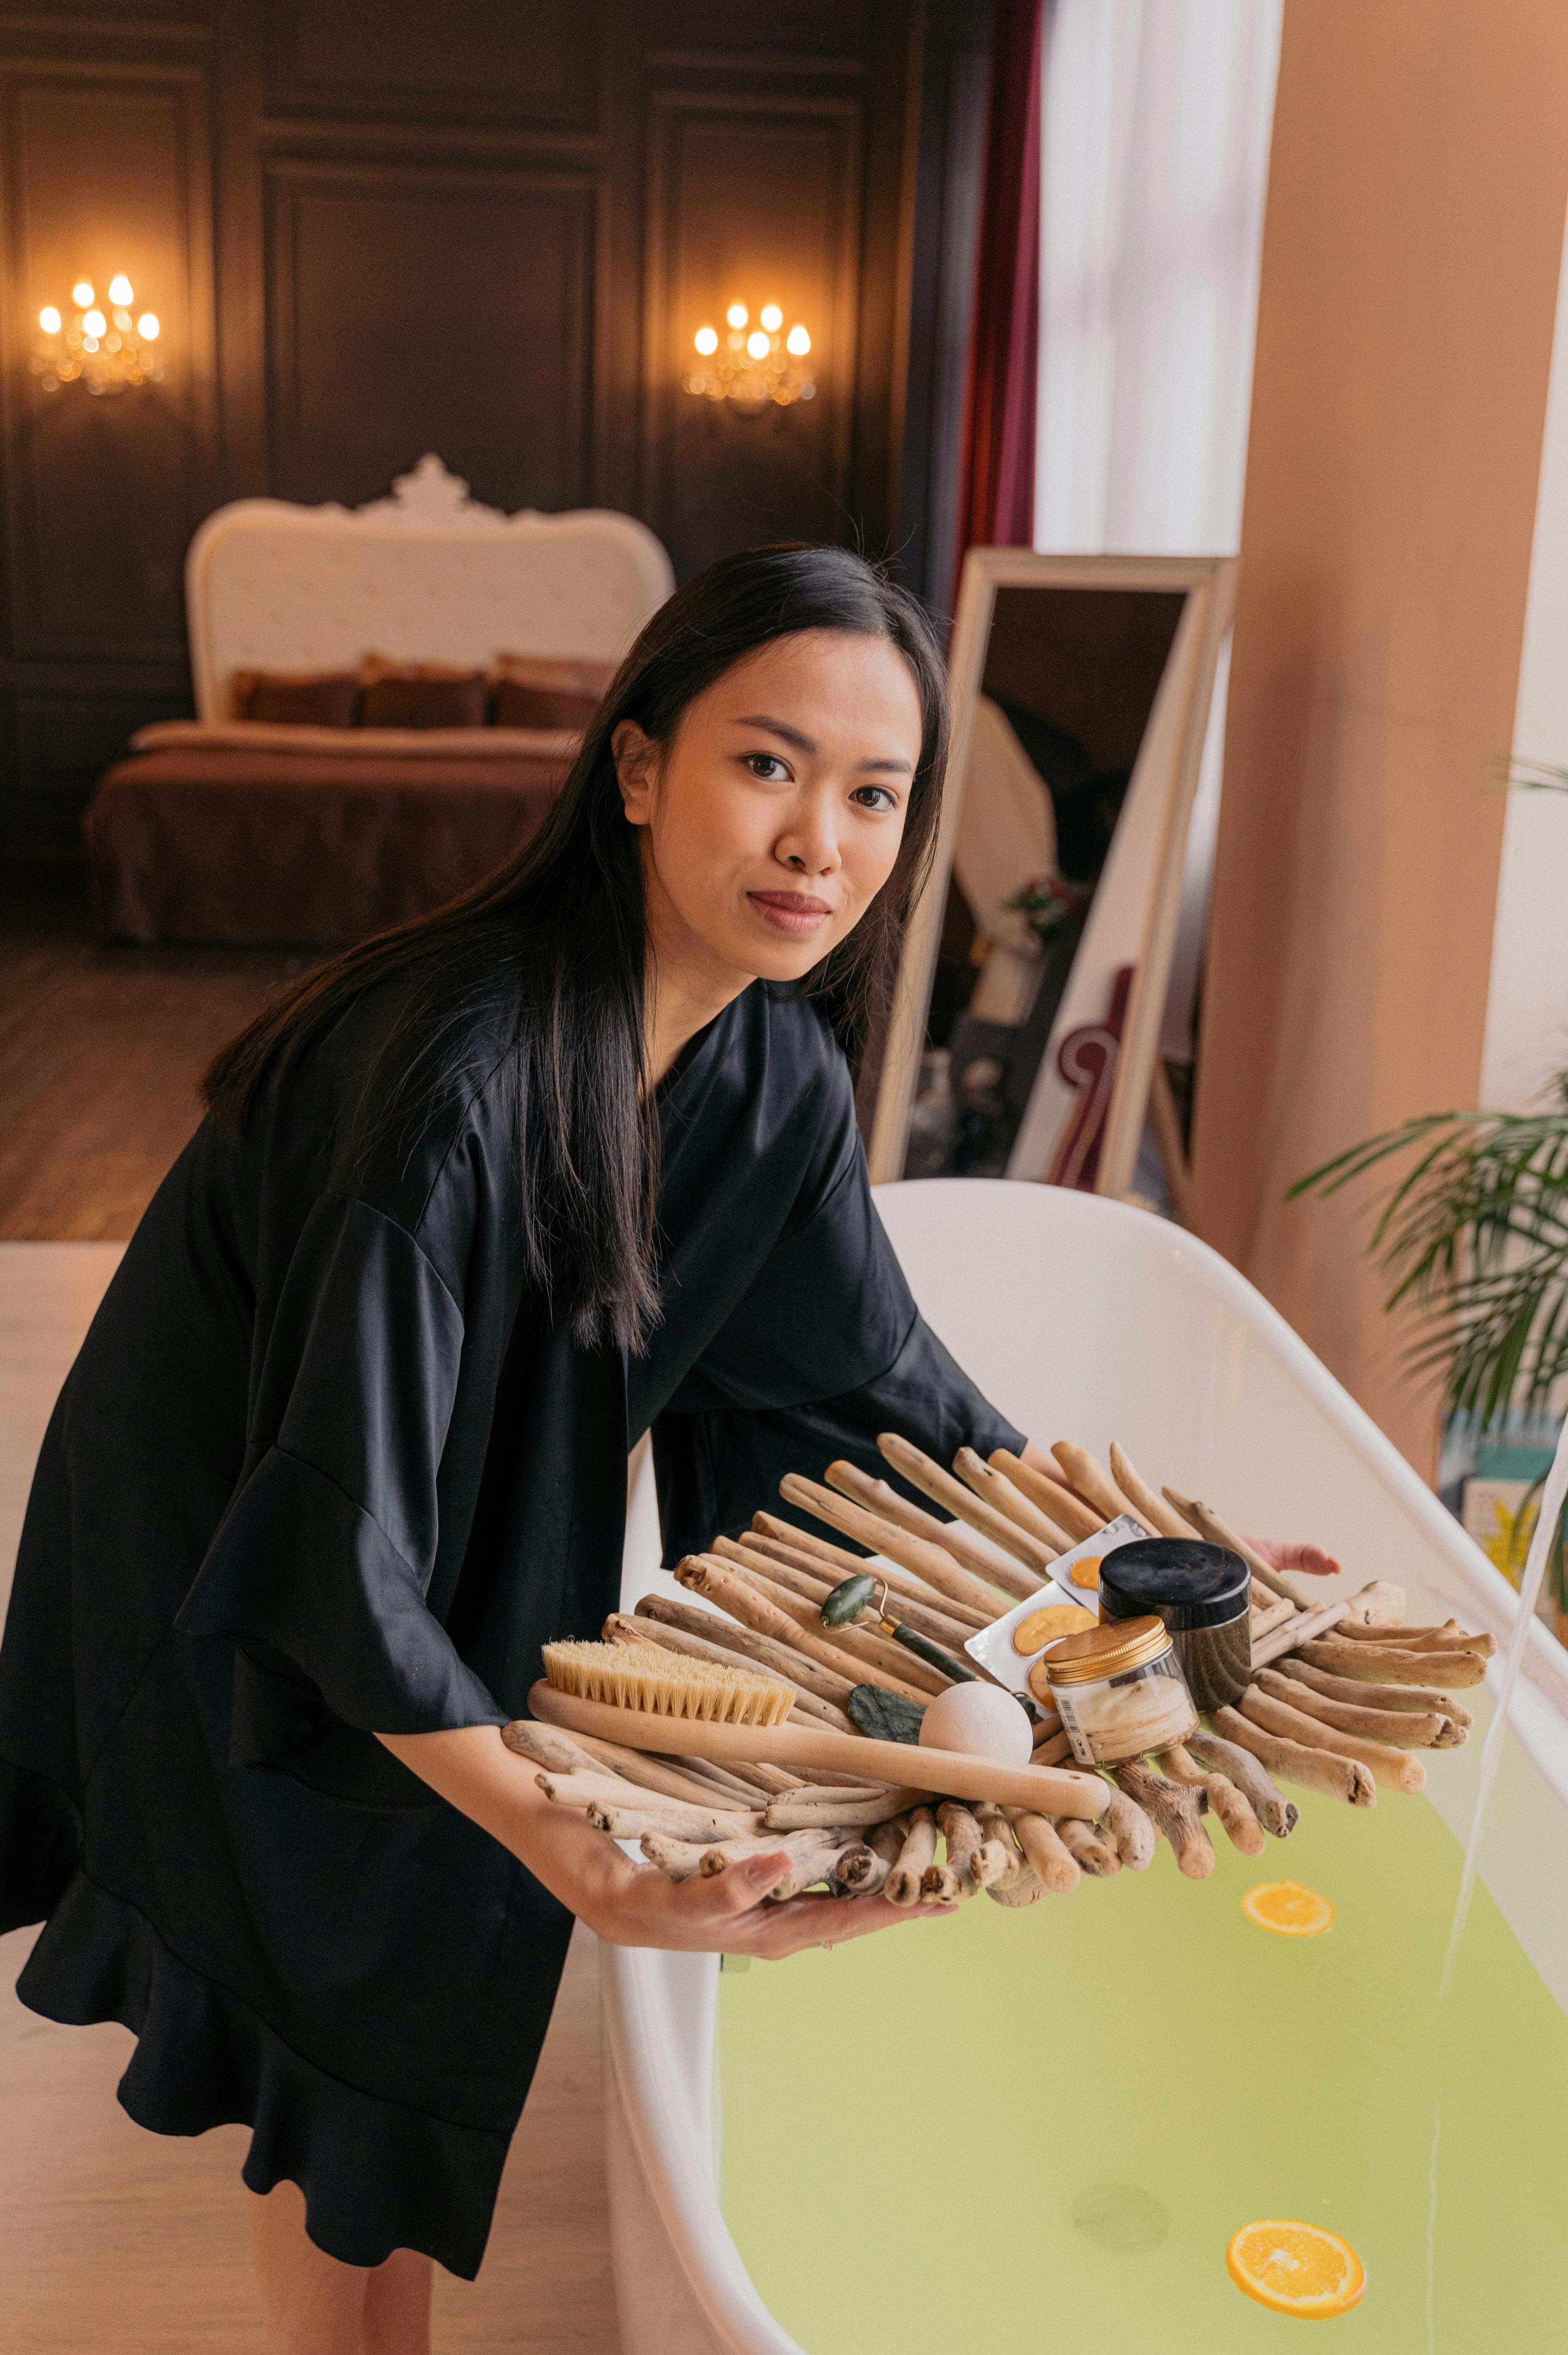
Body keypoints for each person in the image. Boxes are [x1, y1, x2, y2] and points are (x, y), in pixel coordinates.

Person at [0, 544, 1335, 2354]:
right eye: (766, 765)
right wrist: (572, 1848)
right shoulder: (452, 1091)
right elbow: (320, 1541)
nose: (820, 843)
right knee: (338, 2015)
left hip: (428, 1548)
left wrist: (1178, 1577)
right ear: (636, 770)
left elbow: (887, 1403)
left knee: (395, 1995)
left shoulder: (769, 1075)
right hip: (226, 1551)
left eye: (873, 794)